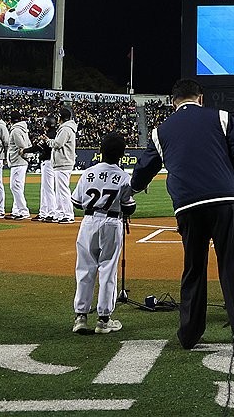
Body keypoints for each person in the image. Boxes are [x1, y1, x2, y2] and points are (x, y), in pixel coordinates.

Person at [130, 78, 234, 353]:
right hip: (224, 199)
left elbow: (144, 170)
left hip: (187, 205)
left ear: (173, 101)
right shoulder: (222, 117)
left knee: (193, 268)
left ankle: (189, 335)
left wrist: (133, 188)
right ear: (200, 97)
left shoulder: (160, 130)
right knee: (233, 264)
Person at [71, 131, 137, 335]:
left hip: (89, 222)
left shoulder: (88, 173)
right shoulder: (125, 177)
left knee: (84, 268)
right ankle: (103, 320)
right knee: (108, 270)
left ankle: (80, 317)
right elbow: (129, 207)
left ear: (100, 150)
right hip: (111, 223)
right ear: (122, 154)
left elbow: (76, 203)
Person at [51, 106, 79, 223]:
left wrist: (48, 141)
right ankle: (60, 213)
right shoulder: (66, 128)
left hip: (63, 162)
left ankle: (68, 214)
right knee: (60, 190)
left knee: (63, 190)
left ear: (61, 118)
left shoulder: (65, 129)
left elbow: (58, 144)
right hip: (62, 163)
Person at [7, 109, 33, 220]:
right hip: (20, 162)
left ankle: (23, 211)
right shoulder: (22, 129)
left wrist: (26, 157)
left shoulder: (16, 131)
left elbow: (22, 146)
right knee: (18, 186)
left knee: (15, 186)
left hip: (18, 161)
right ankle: (16, 210)